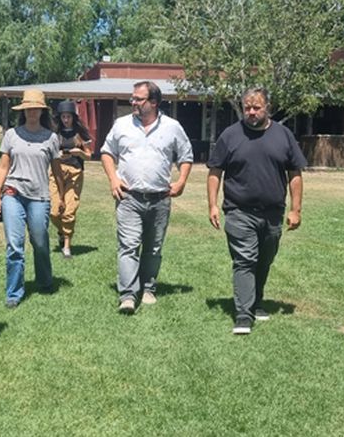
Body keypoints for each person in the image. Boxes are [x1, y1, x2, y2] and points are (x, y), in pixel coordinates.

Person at [206, 87, 306, 336]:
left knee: (264, 259)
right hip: (239, 210)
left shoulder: (283, 135)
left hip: (273, 212)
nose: (251, 112)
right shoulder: (230, 135)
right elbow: (215, 172)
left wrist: (296, 209)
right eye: (247, 107)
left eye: (256, 107)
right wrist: (212, 204)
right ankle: (243, 314)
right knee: (244, 260)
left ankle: (256, 301)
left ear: (267, 107)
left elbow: (295, 174)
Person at [101, 81, 193, 314]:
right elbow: (106, 152)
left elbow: (186, 156)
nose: (133, 102)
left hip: (160, 198)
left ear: (153, 102)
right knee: (129, 246)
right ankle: (128, 296)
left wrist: (181, 182)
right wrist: (113, 178)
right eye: (132, 98)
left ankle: (149, 287)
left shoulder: (172, 127)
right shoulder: (121, 125)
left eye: (138, 99)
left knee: (153, 247)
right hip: (129, 197)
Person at [0, 90, 65, 308]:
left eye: (36, 108)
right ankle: (14, 292)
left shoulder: (51, 138)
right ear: (23, 110)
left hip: (39, 197)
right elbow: (4, 166)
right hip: (12, 193)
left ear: (42, 111)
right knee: (15, 245)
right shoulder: (12, 135)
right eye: (28, 108)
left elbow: (57, 171)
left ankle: (44, 281)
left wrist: (60, 197)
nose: (32, 111)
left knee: (40, 242)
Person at [49, 100, 92, 258]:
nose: (66, 119)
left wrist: (78, 152)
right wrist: (57, 155)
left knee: (69, 210)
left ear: (74, 117)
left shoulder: (80, 133)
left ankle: (66, 246)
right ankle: (61, 231)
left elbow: (89, 155)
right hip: (56, 171)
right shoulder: (54, 134)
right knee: (54, 211)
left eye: (68, 116)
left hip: (75, 172)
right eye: (63, 117)